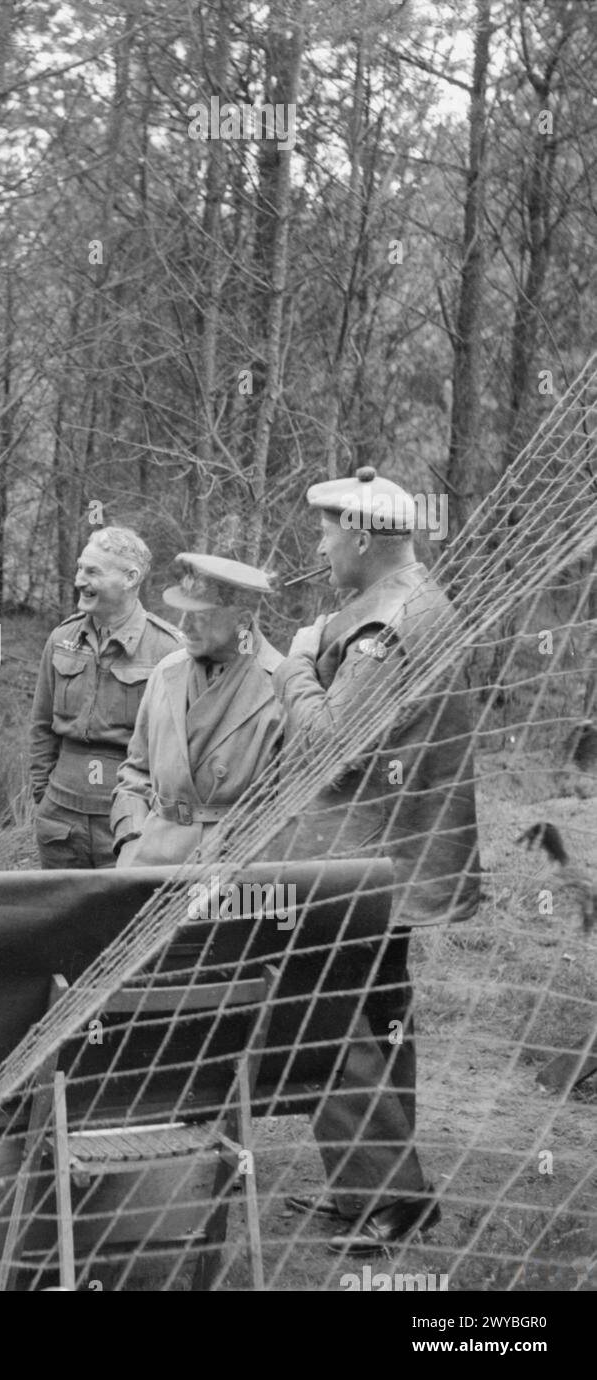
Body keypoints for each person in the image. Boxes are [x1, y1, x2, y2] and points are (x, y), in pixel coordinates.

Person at [272, 466, 481, 1254]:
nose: (319, 544)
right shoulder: (420, 600)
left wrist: (294, 663)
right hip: (395, 856)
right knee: (383, 1014)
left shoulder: (385, 626)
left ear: (361, 536)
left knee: (323, 1017)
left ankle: (389, 1197)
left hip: (356, 856)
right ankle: (382, 1194)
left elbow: (331, 748)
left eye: (326, 530)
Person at [111, 553, 283, 866]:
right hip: (148, 863)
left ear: (242, 620)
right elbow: (135, 772)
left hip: (232, 872)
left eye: (200, 615)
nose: (184, 625)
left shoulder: (282, 686)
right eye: (183, 612)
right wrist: (130, 839)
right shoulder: (166, 671)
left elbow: (292, 805)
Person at [30, 527, 182, 869]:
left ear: (130, 578)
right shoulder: (62, 638)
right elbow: (41, 727)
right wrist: (43, 797)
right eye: (80, 569)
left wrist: (153, 820)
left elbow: (174, 749)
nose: (80, 580)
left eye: (93, 572)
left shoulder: (168, 650)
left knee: (125, 921)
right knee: (60, 920)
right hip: (60, 819)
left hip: (129, 822)